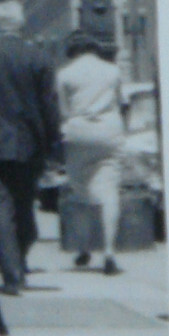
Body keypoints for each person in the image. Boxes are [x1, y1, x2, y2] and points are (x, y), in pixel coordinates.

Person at [0, 0, 60, 295]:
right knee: (25, 205)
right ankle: (18, 260)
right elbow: (49, 104)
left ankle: (12, 274)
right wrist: (54, 143)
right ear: (21, 23)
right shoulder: (38, 57)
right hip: (29, 143)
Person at [56, 29, 127, 276]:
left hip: (78, 132)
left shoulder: (65, 74)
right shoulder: (113, 71)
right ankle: (109, 252)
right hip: (109, 131)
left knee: (80, 192)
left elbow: (64, 110)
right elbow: (121, 101)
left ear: (72, 51)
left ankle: (84, 248)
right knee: (109, 191)